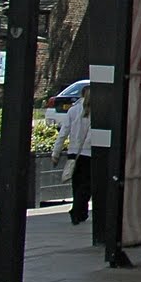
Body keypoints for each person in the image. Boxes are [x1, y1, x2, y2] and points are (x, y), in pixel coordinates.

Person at [51, 83, 93, 225]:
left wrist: (56, 152)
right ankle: (79, 211)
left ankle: (79, 210)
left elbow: (63, 133)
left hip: (73, 152)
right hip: (89, 154)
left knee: (77, 184)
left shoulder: (73, 111)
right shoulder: (96, 111)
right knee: (87, 185)